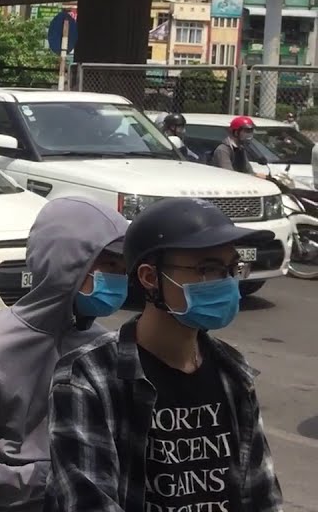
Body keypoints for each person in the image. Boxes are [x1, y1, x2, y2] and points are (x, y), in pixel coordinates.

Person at [45, 197, 284, 512]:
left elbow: (261, 494)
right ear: (148, 277)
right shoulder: (88, 379)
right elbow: (89, 502)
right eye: (208, 269)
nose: (226, 283)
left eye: (231, 269)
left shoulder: (233, 372)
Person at [0, 197, 130, 512]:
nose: (118, 279)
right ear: (67, 262)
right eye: (109, 265)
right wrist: (42, 478)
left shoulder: (102, 346)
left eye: (124, 269)